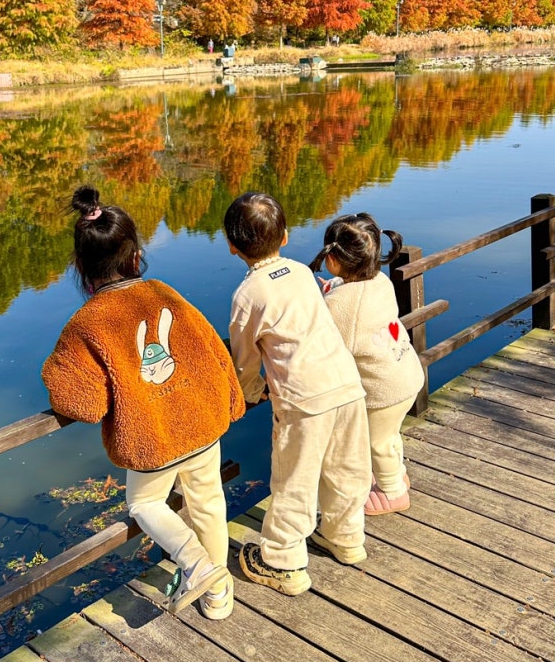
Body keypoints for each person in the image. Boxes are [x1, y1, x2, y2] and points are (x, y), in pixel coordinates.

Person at [42, 185, 245, 619]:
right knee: (208, 503)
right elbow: (212, 347)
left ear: (80, 267)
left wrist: (52, 371)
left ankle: (195, 564)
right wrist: (231, 397)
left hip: (152, 437)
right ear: (136, 255)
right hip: (201, 424)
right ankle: (218, 594)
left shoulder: (87, 323)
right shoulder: (165, 294)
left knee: (145, 505)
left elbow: (81, 402)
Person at [223, 192, 370, 597]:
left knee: (294, 479)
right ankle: (346, 538)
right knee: (347, 468)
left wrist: (250, 393)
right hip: (346, 383)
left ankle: (283, 561)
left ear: (231, 244)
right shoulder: (302, 273)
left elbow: (244, 359)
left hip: (304, 400)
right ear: (285, 237)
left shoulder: (248, 296)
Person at [310, 213, 425, 516]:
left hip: (383, 390)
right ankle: (396, 475)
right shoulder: (379, 280)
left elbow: (326, 337)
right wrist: (334, 290)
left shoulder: (341, 304)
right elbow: (355, 306)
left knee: (378, 441)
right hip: (406, 373)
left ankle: (393, 492)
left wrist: (326, 299)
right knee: (389, 435)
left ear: (332, 258)